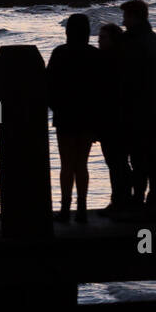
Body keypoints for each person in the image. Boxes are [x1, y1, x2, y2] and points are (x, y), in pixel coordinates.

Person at [47, 13, 101, 223]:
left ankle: (65, 208)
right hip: (87, 117)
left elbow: (48, 85)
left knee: (66, 164)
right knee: (82, 164)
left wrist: (56, 107)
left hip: (65, 116)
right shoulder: (95, 55)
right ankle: (82, 208)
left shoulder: (60, 53)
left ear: (68, 31)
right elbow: (101, 89)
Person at [119, 0, 156, 222]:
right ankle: (153, 201)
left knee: (138, 159)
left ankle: (138, 201)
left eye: (126, 17)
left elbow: (125, 80)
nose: (123, 21)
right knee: (152, 156)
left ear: (134, 17)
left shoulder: (130, 43)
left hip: (136, 110)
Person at [96, 21, 131, 216]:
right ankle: (121, 200)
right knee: (119, 162)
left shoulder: (108, 61)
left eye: (103, 38)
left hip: (113, 120)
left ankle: (119, 201)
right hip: (119, 119)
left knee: (116, 162)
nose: (99, 41)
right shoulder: (124, 59)